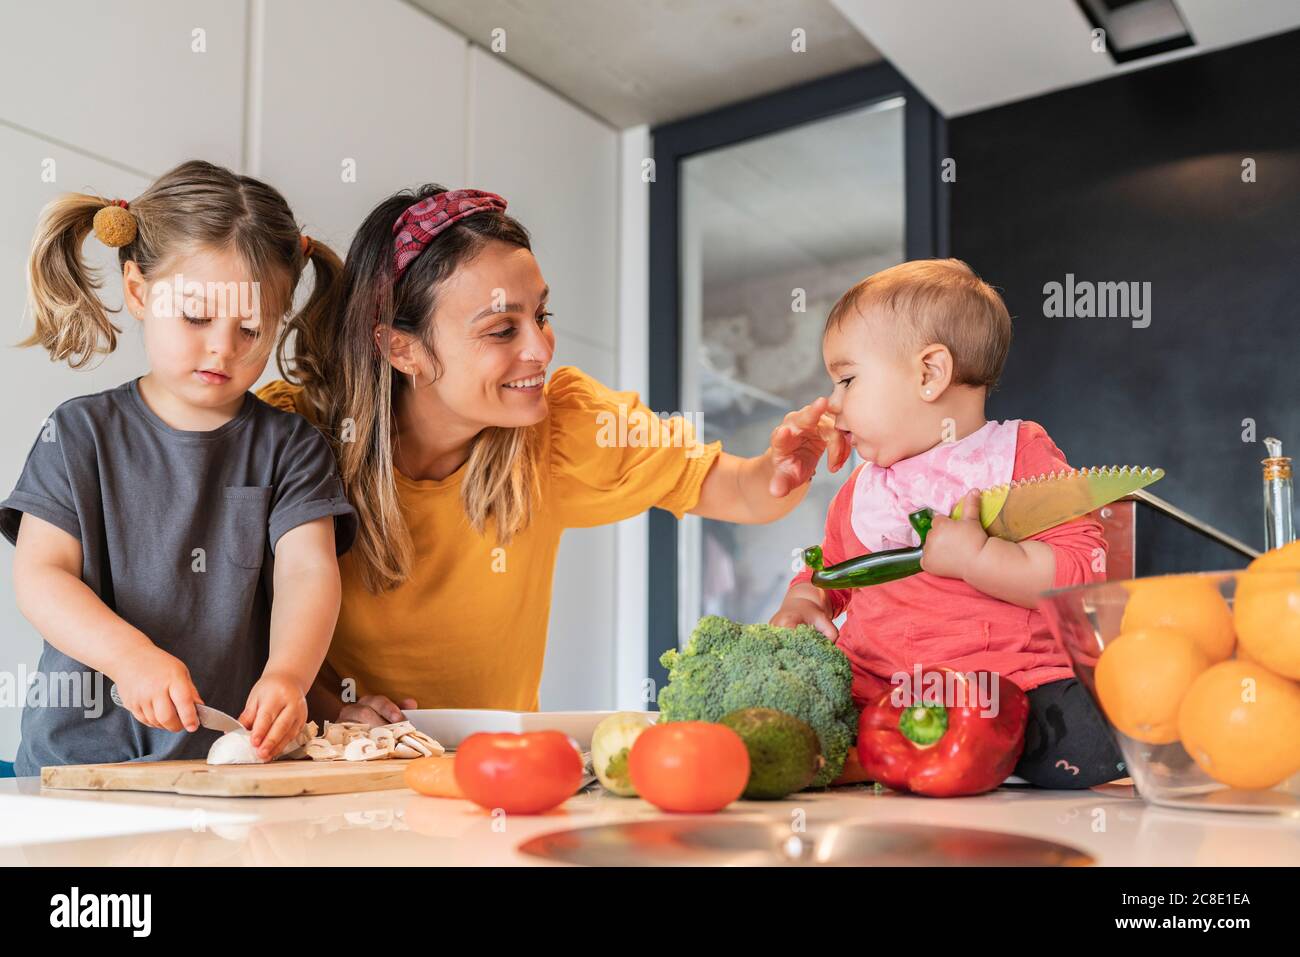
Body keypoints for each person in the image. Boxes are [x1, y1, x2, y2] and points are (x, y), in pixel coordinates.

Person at [257, 185, 849, 725]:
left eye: (540, 316)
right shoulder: (293, 437)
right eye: (501, 330)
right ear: (402, 348)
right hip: (333, 763)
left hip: (490, 775)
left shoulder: (564, 430)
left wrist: (780, 468)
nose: (540, 349)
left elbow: (743, 491)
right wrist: (333, 707)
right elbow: (230, 617)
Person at [1, 160, 357, 773]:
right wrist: (128, 656)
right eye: (196, 318)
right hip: (75, 768)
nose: (223, 348)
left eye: (250, 328)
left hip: (222, 768)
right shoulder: (79, 432)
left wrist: (289, 676)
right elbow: (41, 576)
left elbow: (307, 573)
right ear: (138, 291)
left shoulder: (293, 448)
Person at [771, 258, 1125, 788]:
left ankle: (951, 750)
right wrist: (806, 599)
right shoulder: (861, 490)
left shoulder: (1019, 455)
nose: (834, 407)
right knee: (787, 714)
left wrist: (981, 560)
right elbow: (831, 569)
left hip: (1009, 686)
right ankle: (901, 747)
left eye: (846, 380)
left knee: (1093, 739)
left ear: (930, 373)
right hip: (879, 689)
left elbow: (1083, 577)